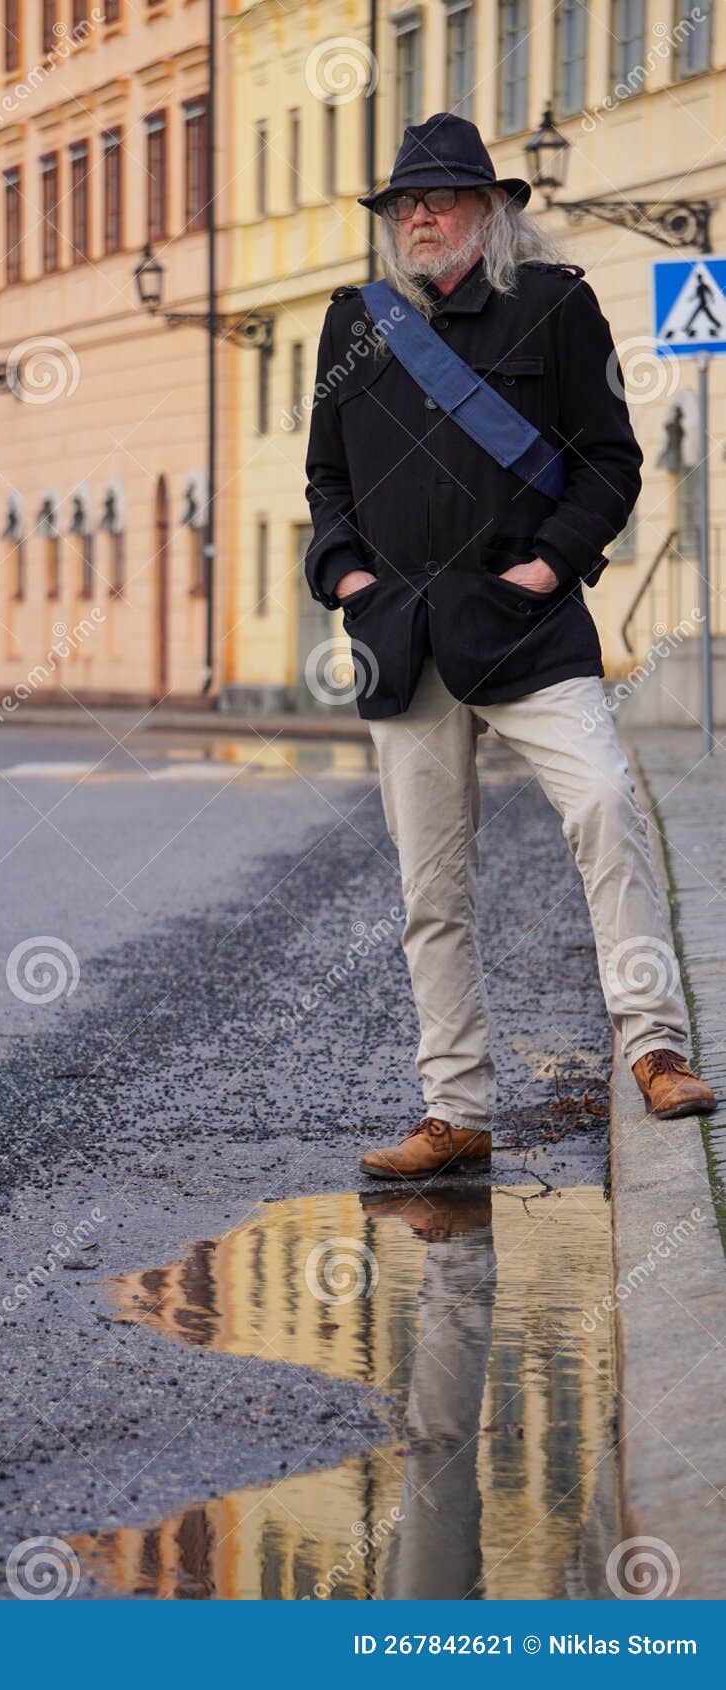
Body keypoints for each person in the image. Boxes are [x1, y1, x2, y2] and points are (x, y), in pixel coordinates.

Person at [303, 112, 715, 1180]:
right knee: (430, 892)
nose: (421, 216)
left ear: (490, 212)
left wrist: (546, 566)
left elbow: (610, 464)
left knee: (606, 809)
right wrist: (345, 578)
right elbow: (326, 481)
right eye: (405, 204)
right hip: (405, 643)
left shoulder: (557, 306)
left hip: (530, 634)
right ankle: (456, 1111)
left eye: (442, 198)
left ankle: (655, 1045)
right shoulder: (353, 321)